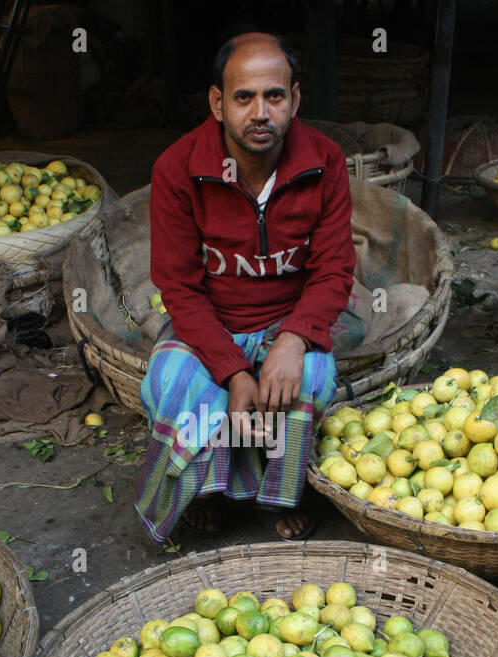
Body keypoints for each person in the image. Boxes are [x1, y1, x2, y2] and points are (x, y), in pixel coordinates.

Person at [135, 31, 355, 544]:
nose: (261, 112)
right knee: (171, 380)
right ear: (217, 103)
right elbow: (179, 287)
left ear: (295, 99)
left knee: (311, 380)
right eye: (243, 98)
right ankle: (210, 490)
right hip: (210, 323)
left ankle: (275, 493)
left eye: (274, 96)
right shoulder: (178, 168)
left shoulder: (325, 162)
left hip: (287, 321)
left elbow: (333, 271)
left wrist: (294, 340)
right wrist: (234, 373)